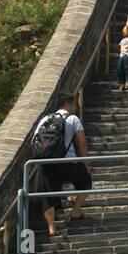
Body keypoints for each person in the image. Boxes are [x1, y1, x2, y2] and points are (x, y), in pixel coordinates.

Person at [31, 92, 90, 236]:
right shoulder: (73, 119)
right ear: (66, 105)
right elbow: (82, 142)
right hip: (68, 161)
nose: (75, 108)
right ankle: (75, 211)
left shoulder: (46, 118)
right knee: (86, 181)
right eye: (74, 105)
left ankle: (51, 227)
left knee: (48, 194)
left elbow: (33, 140)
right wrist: (84, 162)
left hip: (48, 162)